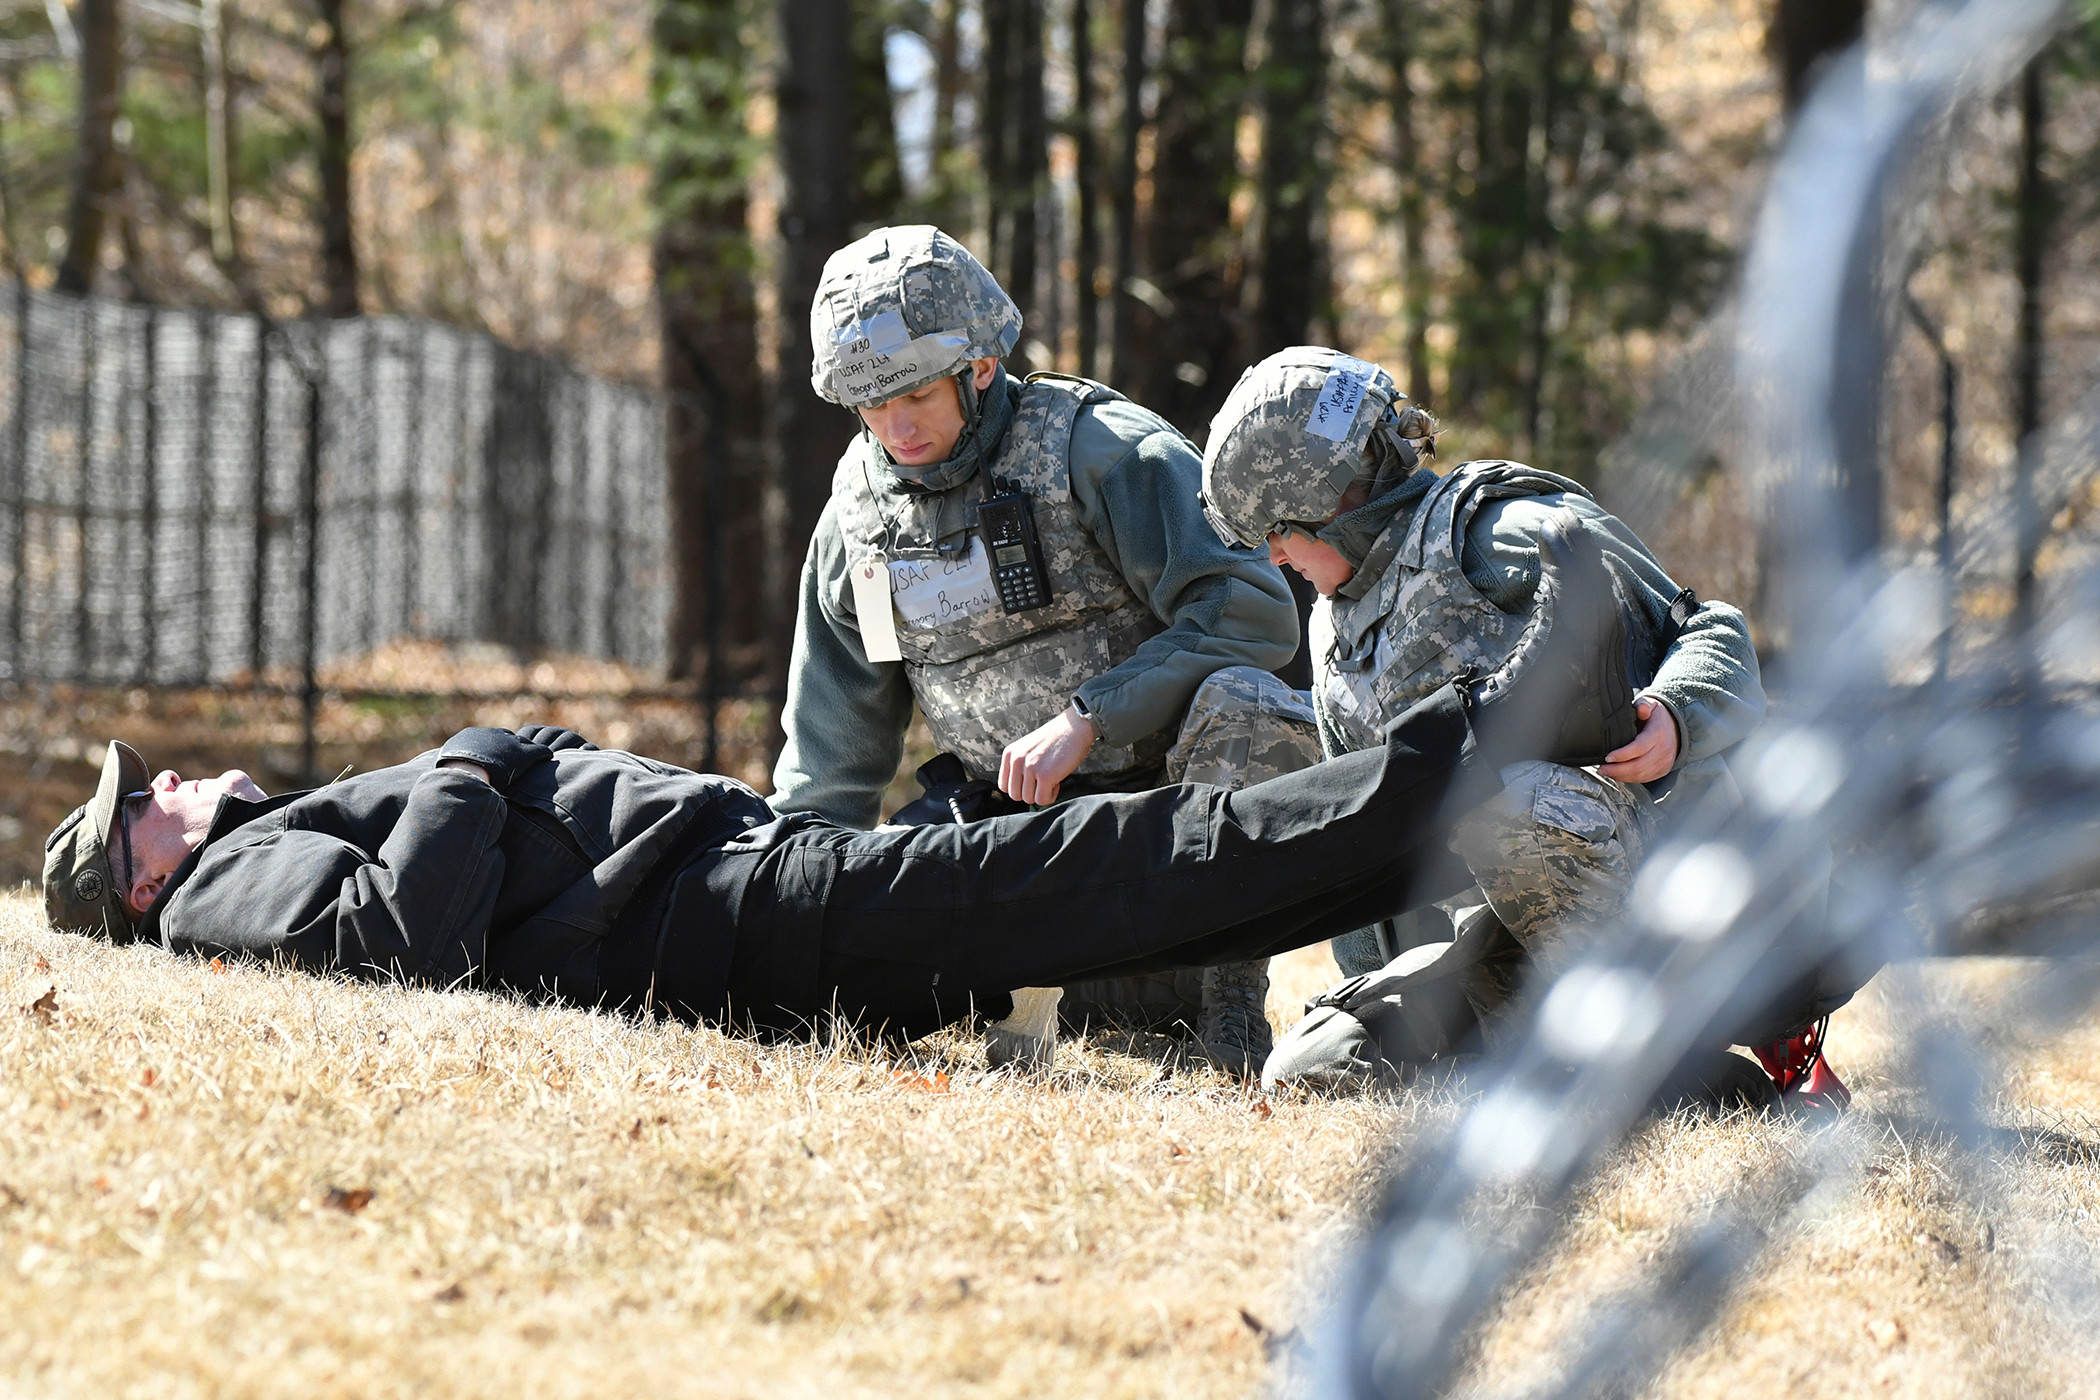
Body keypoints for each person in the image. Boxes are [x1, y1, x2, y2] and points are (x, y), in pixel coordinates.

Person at [41, 518, 1645, 1062]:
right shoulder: (223, 901)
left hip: (737, 899)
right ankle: (1491, 734)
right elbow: (406, 940)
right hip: (730, 915)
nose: (172, 778)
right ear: (142, 878)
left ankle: (1464, 773)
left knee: (1146, 878)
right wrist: (479, 755)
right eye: (150, 797)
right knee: (1139, 860)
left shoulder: (252, 857)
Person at [1198, 346, 1850, 1108]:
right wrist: (1382, 990)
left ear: (1337, 500)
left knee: (1505, 800)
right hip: (1493, 937)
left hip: (1661, 893)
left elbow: (1714, 634)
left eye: (1278, 527)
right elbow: (1364, 835)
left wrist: (1675, 713)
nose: (1274, 554)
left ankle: (1681, 1059)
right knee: (1315, 1067)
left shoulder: (1503, 532)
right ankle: (1604, 1066)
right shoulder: (1332, 632)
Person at [770, 225, 1320, 1070]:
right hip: (1012, 842)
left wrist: (1090, 718)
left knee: (1249, 707)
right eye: (869, 404)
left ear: (979, 367)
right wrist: (791, 906)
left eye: (914, 393)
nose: (893, 425)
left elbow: (1250, 610)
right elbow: (833, 749)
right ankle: (1067, 988)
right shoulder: (857, 524)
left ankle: (1226, 1010)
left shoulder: (1101, 451)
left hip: (1165, 828)